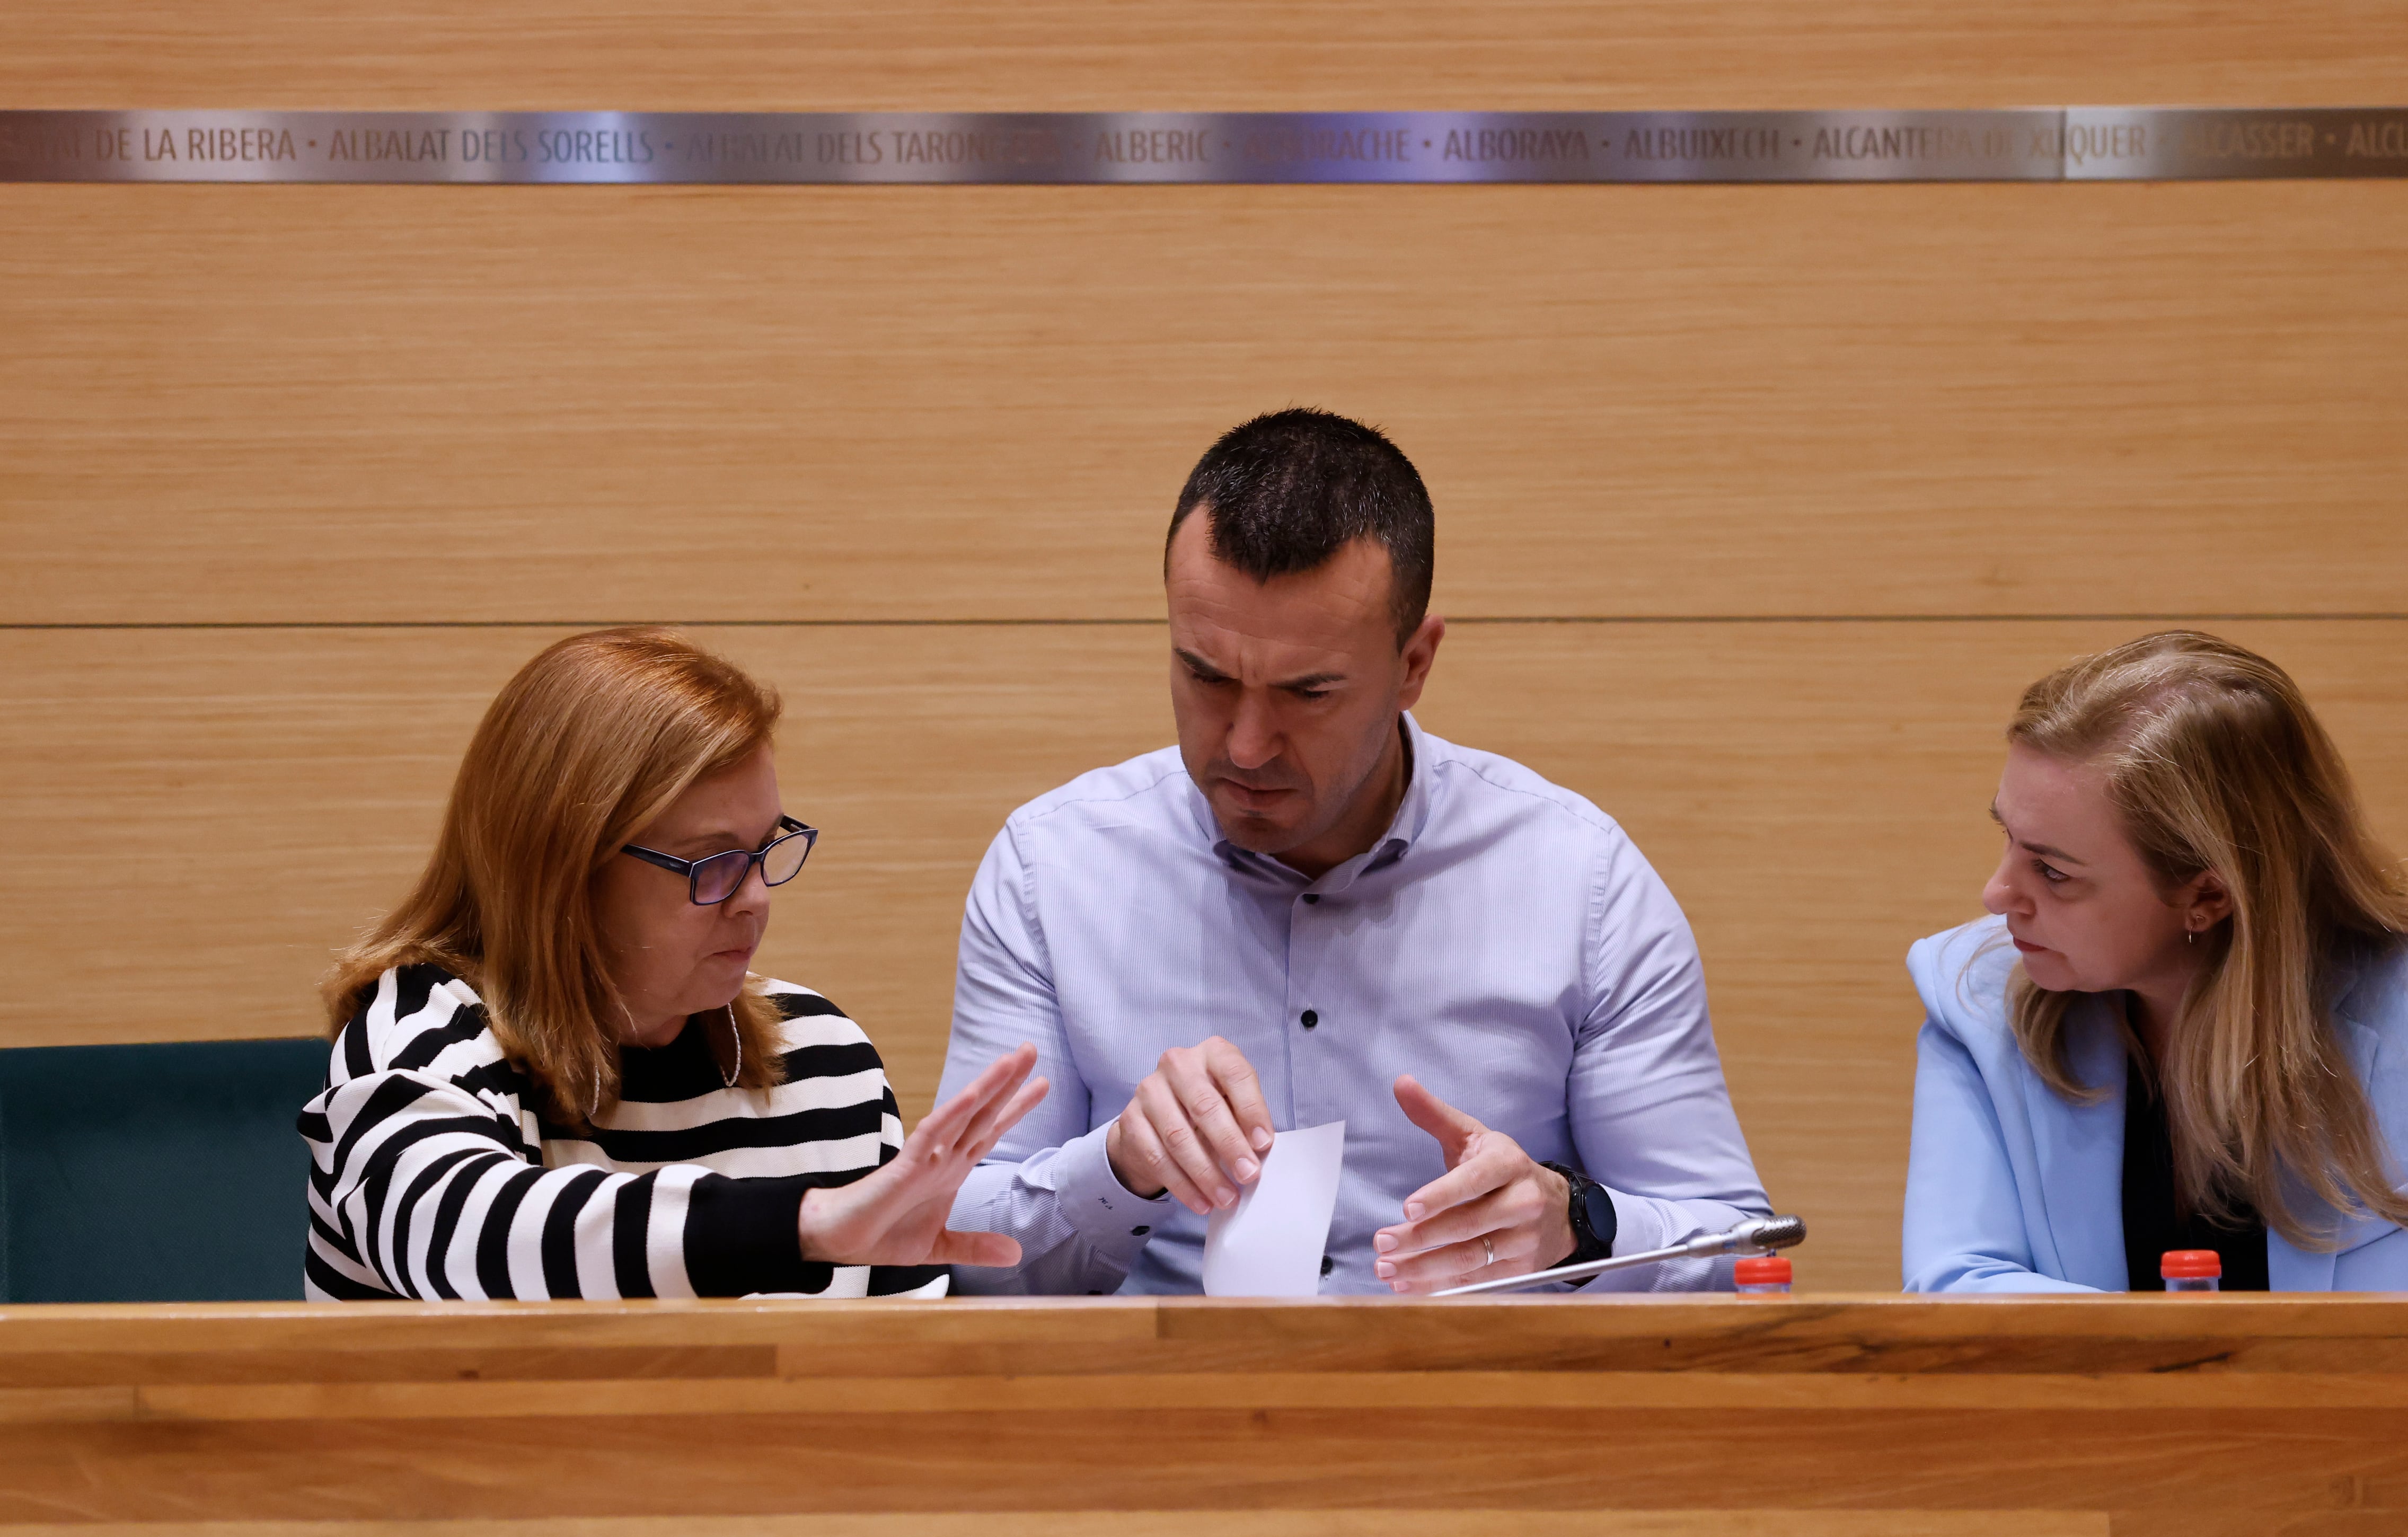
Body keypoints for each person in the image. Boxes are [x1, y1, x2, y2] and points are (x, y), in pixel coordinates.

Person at [941, 409, 1766, 1296]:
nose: (1248, 744)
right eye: (1207, 676)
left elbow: (1744, 1255)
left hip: (1475, 1413)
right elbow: (950, 1252)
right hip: (1159, 1415)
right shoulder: (1051, 870)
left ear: (1416, 661)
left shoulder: (1581, 885)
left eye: (1309, 692)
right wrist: (1118, 1166)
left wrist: (1577, 1222)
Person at [303, 628, 1044, 1302]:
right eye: (713, 862)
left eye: (765, 849)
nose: (755, 897)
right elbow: (462, 1236)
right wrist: (804, 1225)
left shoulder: (824, 1055)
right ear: (566, 870)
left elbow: (896, 1381)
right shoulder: (417, 1026)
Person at [1903, 629, 2408, 1293]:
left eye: (2053, 871)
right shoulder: (1976, 1001)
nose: (1997, 894)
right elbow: (1960, 1287)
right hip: (2100, 1446)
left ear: (2209, 895)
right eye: (2008, 839)